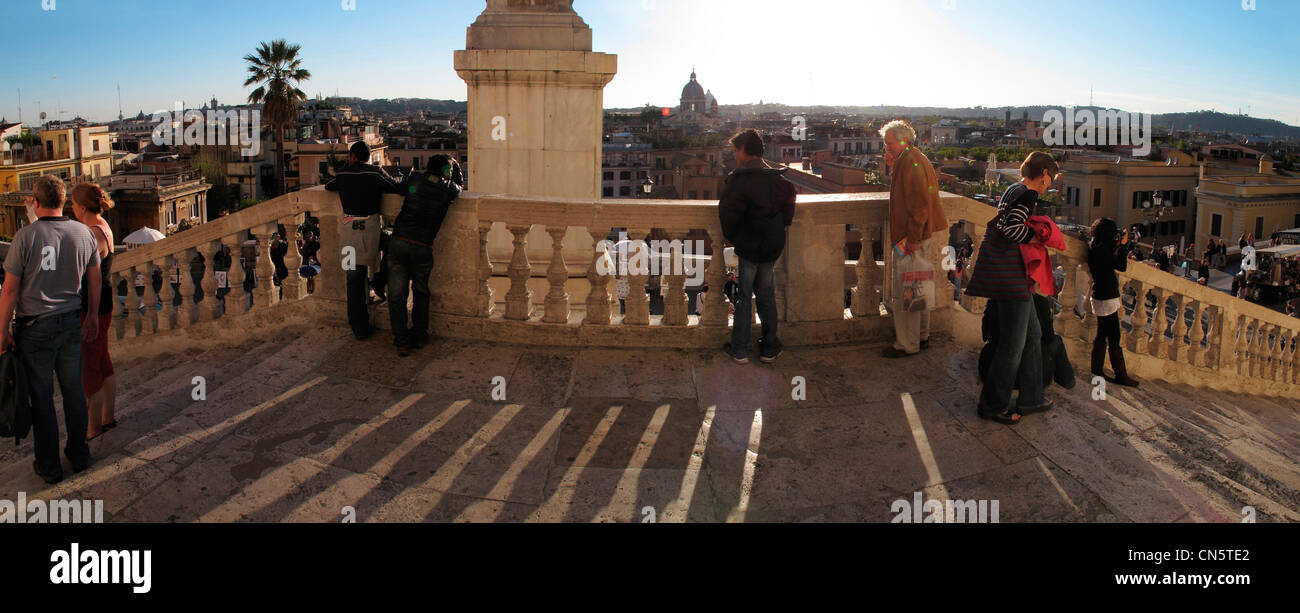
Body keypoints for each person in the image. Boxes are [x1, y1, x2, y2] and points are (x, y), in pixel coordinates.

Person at [0, 176, 101, 484]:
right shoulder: (83, 232)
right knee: (73, 393)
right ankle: (79, 454)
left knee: (42, 398)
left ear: (37, 201)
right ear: (62, 200)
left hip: (35, 328)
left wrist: (2, 330)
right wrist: (93, 315)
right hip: (71, 321)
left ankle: (49, 465)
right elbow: (94, 278)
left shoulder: (25, 237)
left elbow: (9, 290)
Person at [962, 152, 1059, 424]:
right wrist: (1036, 238)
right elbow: (1011, 228)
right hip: (1013, 279)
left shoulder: (1013, 188)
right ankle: (992, 405)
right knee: (1012, 346)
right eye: (1052, 177)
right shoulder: (1028, 195)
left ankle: (1031, 396)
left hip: (1010, 278)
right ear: (1044, 175)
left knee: (1032, 335)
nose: (1051, 183)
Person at [718, 129, 795, 364]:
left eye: (735, 150)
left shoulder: (739, 181)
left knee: (744, 296)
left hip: (749, 246)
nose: (734, 154)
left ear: (743, 150)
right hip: (772, 245)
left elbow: (728, 216)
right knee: (766, 294)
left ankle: (739, 348)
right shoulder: (780, 182)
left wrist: (736, 239)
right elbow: (788, 214)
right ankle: (769, 347)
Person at [879, 120, 948, 358]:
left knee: (906, 289)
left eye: (889, 143)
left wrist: (913, 239)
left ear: (902, 140)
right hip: (916, 235)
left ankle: (907, 344)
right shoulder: (911, 158)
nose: (885, 147)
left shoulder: (911, 162)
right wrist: (893, 164)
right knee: (918, 285)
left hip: (910, 237)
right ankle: (922, 336)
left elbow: (919, 205)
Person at [325, 141, 403, 339]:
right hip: (370, 230)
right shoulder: (375, 173)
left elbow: (328, 186)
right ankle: (378, 281)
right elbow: (395, 187)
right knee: (391, 248)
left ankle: (358, 327)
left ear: (352, 156)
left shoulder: (343, 175)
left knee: (353, 279)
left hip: (350, 231)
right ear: (368, 157)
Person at [387, 154, 461, 356]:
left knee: (396, 295)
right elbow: (459, 186)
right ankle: (419, 336)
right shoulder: (448, 189)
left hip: (399, 241)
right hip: (422, 246)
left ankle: (401, 341)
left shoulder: (415, 179)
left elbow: (400, 189)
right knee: (420, 292)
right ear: (446, 170)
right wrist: (455, 169)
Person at [69, 183, 118, 441]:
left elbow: (92, 280)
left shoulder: (92, 236)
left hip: (94, 308)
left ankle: (94, 427)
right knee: (103, 361)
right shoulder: (103, 226)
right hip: (104, 304)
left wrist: (89, 316)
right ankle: (107, 418)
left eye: (74, 205)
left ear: (83, 207)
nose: (72, 209)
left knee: (91, 369)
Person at [1088, 217, 1139, 387]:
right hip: (1107, 296)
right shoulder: (1102, 250)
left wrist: (1116, 244)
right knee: (1114, 337)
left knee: (1102, 334)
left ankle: (1096, 369)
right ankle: (1121, 375)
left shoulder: (1095, 246)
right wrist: (1123, 245)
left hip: (1099, 294)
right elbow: (1121, 266)